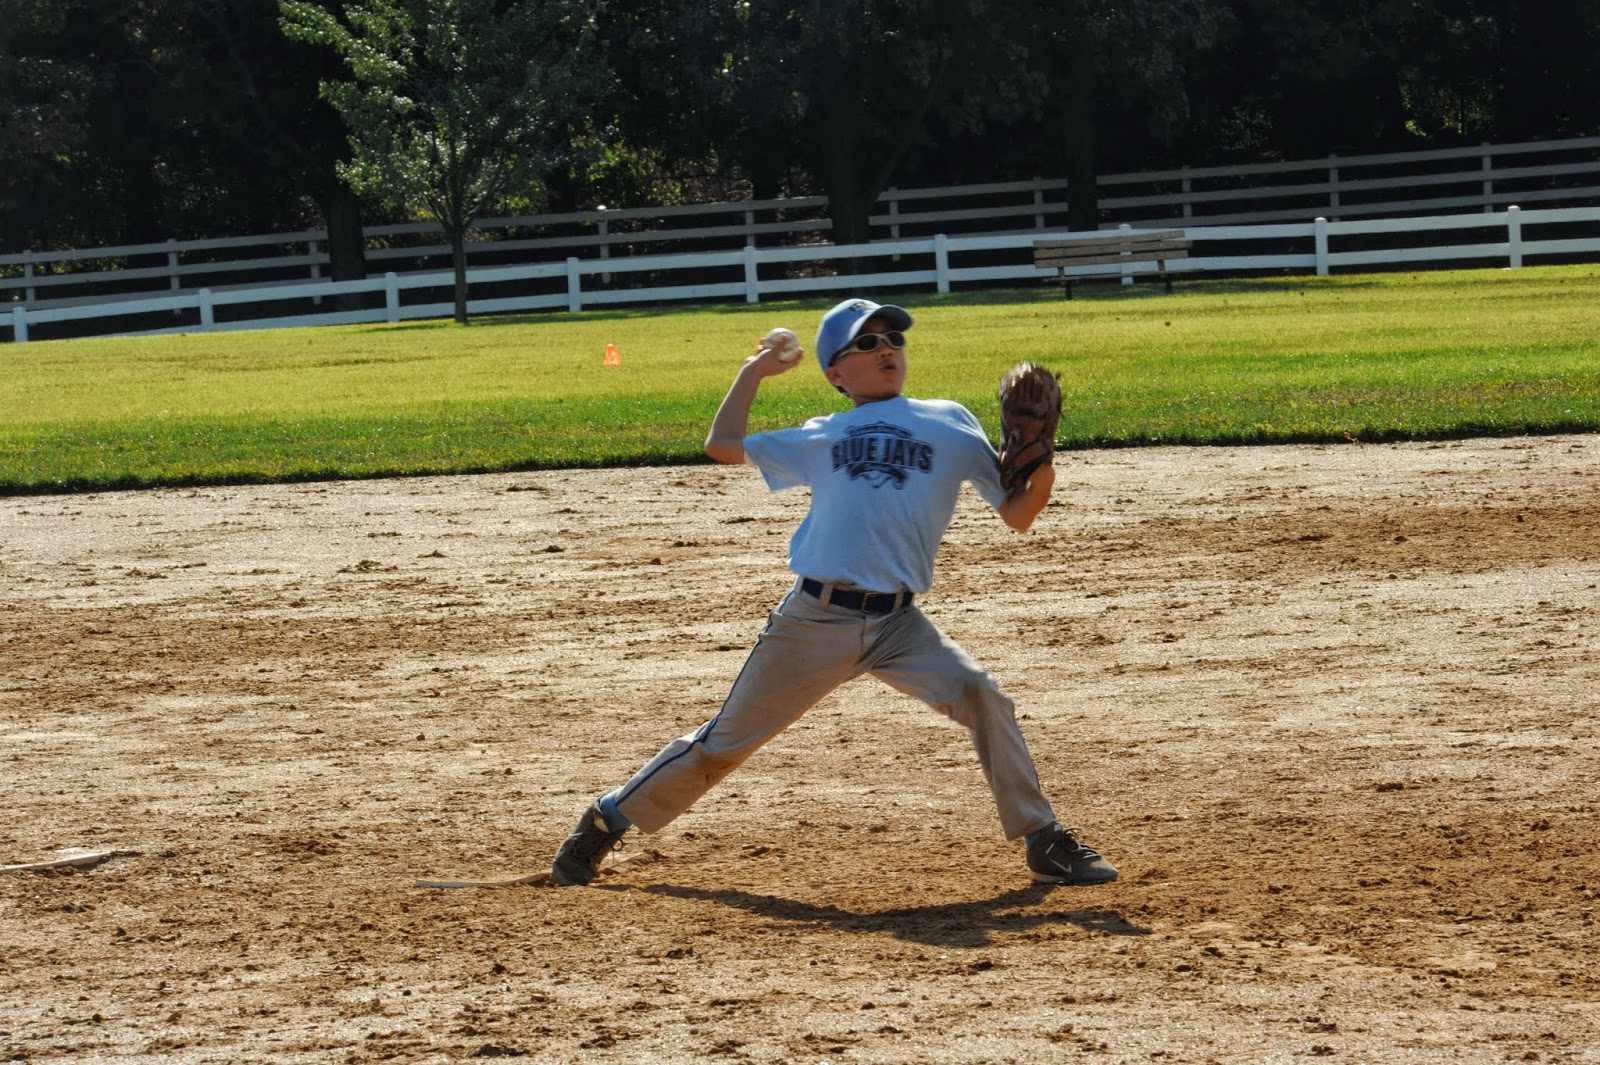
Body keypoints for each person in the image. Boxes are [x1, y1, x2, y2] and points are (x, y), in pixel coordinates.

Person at [551, 297, 1117, 887]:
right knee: (725, 742)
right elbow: (722, 444)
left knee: (982, 694)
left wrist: (1044, 462)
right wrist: (754, 372)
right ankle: (606, 819)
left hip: (899, 625)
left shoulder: (949, 421)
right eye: (867, 344)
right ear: (835, 374)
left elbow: (1017, 512)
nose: (886, 350)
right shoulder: (824, 434)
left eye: (893, 340)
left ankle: (1042, 838)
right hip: (815, 620)